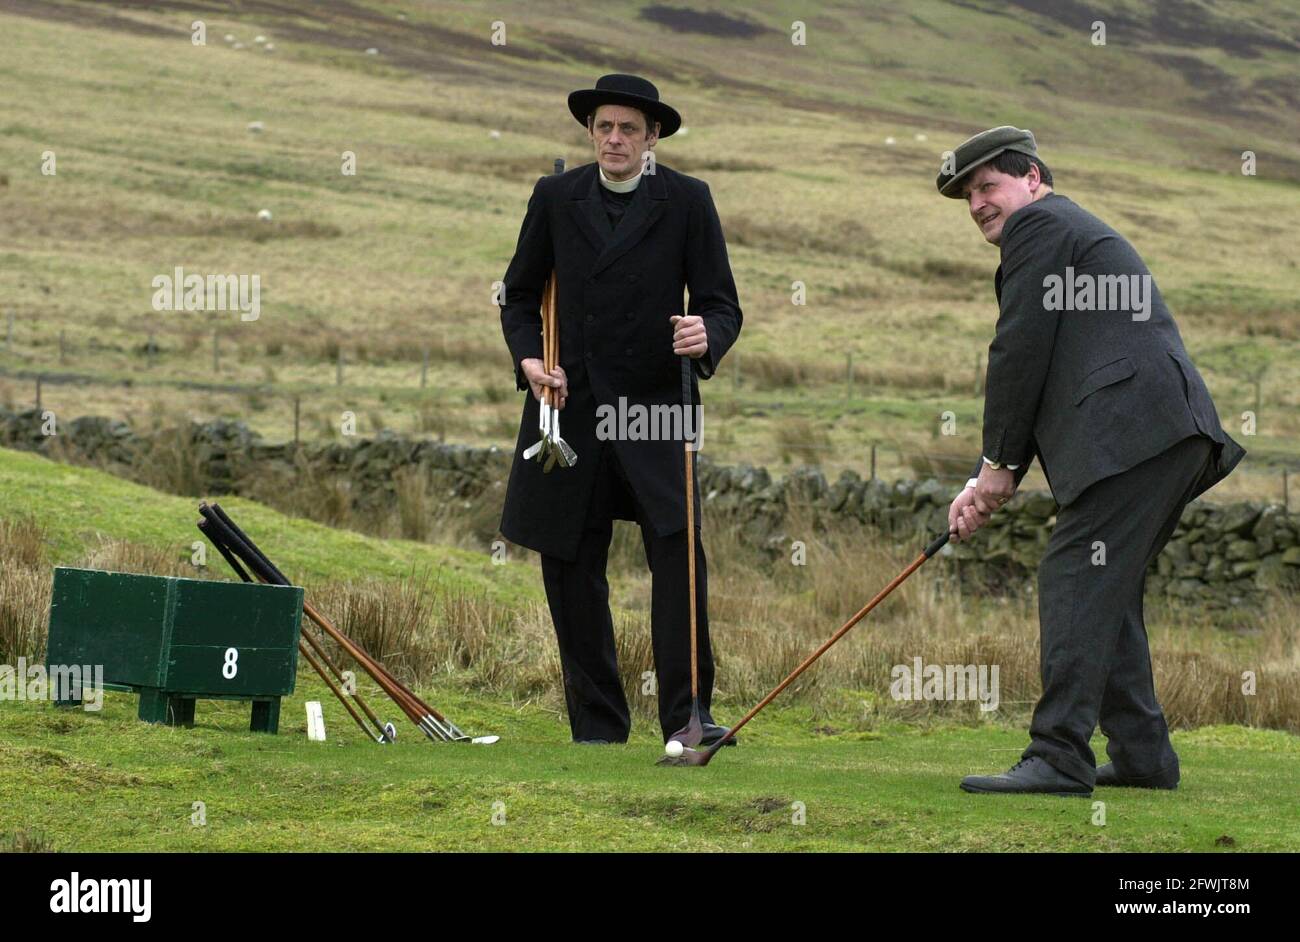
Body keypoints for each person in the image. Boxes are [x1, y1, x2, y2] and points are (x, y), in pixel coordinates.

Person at [936, 126, 1245, 795]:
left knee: (1075, 574)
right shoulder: (1060, 228)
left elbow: (1020, 350)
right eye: (967, 196)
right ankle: (1142, 757)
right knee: (1106, 588)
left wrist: (996, 467)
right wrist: (988, 477)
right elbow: (1041, 355)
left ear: (1033, 179)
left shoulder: (1040, 225)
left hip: (1136, 432)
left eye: (987, 186)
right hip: (1160, 433)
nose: (977, 204)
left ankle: (1058, 755)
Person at [498, 74, 743, 745]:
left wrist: (707, 336)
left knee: (678, 556)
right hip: (567, 408)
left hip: (656, 409)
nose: (613, 139)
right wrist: (527, 360)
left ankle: (690, 720)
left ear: (652, 137)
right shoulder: (554, 197)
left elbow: (722, 305)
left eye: (628, 129)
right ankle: (598, 728)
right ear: (590, 131)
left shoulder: (689, 201)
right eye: (604, 127)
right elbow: (517, 299)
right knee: (570, 566)